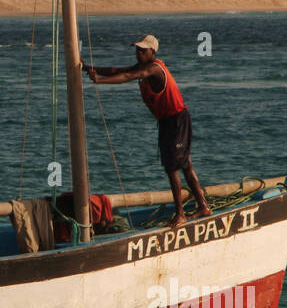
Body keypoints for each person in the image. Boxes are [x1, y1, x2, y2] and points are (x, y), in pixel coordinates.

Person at [84, 34, 213, 227]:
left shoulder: (154, 69)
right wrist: (90, 69)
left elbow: (128, 76)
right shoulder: (142, 66)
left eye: (143, 50)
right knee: (184, 164)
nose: (139, 53)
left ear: (153, 52)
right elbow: (118, 70)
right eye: (137, 49)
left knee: (173, 168)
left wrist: (99, 82)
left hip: (177, 120)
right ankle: (203, 206)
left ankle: (181, 214)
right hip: (166, 122)